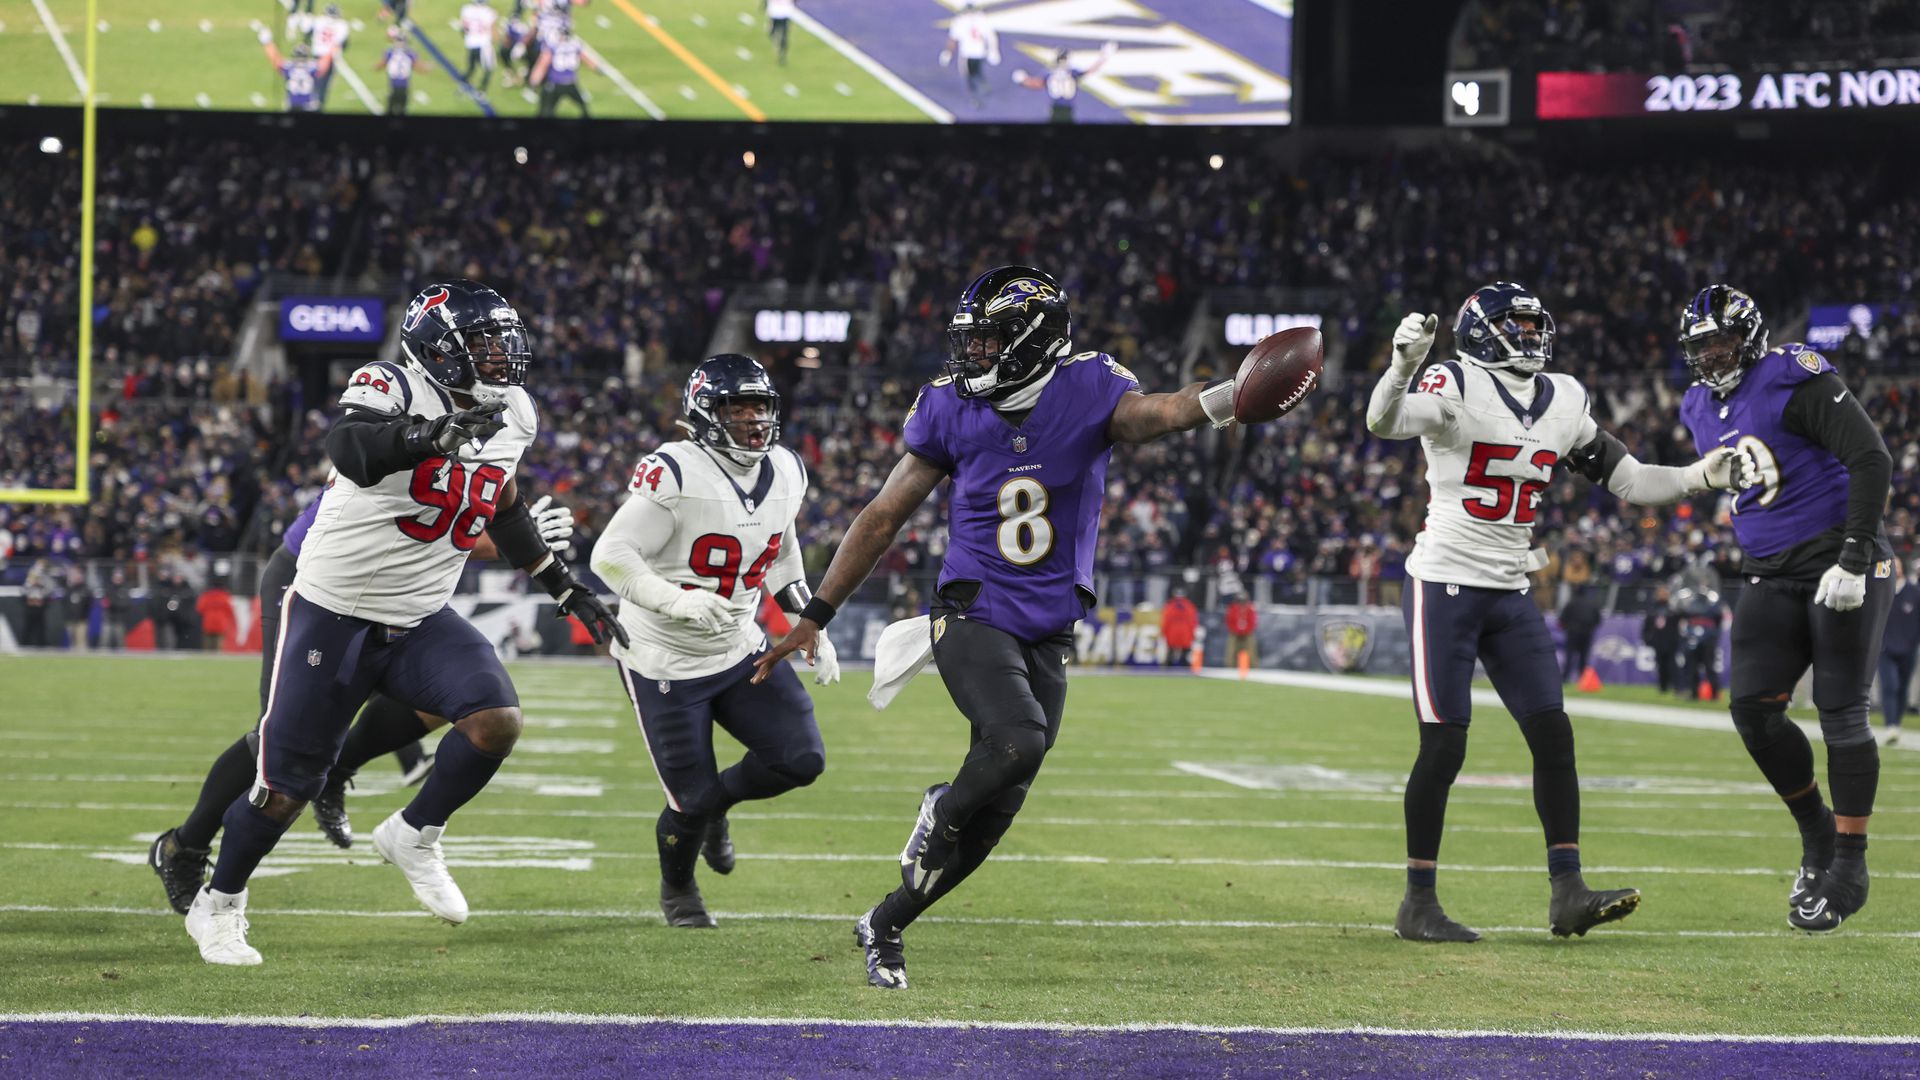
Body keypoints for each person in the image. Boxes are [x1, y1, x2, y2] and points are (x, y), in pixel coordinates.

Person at [755, 264, 1276, 988]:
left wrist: (1230, 397)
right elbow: (882, 516)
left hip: (1049, 624)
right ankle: (939, 807)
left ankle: (886, 922)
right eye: (970, 341)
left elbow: (1161, 414)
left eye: (989, 340)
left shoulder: (1089, 388)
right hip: (972, 607)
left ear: (1033, 341)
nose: (971, 354)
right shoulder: (947, 408)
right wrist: (814, 615)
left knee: (999, 809)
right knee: (1016, 739)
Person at [174, 280, 625, 965]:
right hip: (332, 605)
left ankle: (414, 832)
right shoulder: (391, 383)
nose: (499, 353)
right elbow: (348, 445)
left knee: (495, 717)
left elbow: (499, 503)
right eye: (480, 341)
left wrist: (566, 587)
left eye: (503, 338)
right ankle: (219, 901)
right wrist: (429, 435)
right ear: (439, 349)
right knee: (286, 783)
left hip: (418, 613)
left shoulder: (516, 413)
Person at [1365, 281, 1745, 943]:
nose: (1533, 335)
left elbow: (1628, 479)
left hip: (1510, 589)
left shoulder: (1563, 397)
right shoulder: (1452, 381)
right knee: (1445, 743)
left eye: (1536, 325)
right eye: (1519, 324)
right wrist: (1401, 367)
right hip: (1445, 583)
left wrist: (1696, 477)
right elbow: (1383, 423)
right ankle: (1417, 901)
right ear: (1484, 329)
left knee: (1553, 734)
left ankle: (1568, 891)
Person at [146, 484, 575, 914]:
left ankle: (339, 769)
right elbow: (409, 526)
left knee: (455, 697)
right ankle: (184, 847)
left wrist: (515, 531)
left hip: (391, 593)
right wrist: (515, 540)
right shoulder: (395, 424)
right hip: (317, 582)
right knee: (278, 741)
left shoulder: (489, 436)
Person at [591, 355, 838, 929]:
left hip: (738, 648)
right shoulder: (676, 470)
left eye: (760, 406)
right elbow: (610, 555)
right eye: (736, 407)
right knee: (689, 802)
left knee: (800, 760)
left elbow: (781, 554)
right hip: (663, 658)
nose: (753, 419)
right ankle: (678, 889)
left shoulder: (785, 467)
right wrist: (675, 600)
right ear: (705, 413)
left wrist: (810, 619)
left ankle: (717, 807)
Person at [1676, 284, 1894, 931]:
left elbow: (1870, 456)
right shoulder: (1695, 404)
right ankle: (1818, 833)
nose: (1712, 355)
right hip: (1767, 571)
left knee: (1842, 715)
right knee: (1753, 711)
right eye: (1701, 345)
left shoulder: (1790, 375)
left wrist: (1856, 555)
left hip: (1835, 559)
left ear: (1748, 336)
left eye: (1720, 341)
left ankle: (1849, 863)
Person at [1010, 42, 1115, 123]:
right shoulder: (1072, 73)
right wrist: (1104, 57)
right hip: (1068, 108)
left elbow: (1037, 84)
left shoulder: (1050, 74)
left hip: (1056, 108)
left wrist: (1023, 80)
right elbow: (1090, 70)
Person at [1879, 560, 1920, 746]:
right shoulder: (1881, 591)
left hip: (1908, 649)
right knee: (1890, 685)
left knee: (1902, 688)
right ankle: (1891, 725)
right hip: (1885, 648)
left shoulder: (1914, 592)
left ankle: (1897, 721)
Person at [938, 3, 999, 109]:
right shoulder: (982, 19)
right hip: (980, 52)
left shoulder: (960, 21)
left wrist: (947, 53)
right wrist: (993, 51)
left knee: (968, 76)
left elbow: (953, 40)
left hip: (967, 53)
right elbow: (991, 37)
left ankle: (976, 98)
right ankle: (982, 81)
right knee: (977, 70)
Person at [531, 26, 598, 118]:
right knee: (584, 108)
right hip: (570, 83)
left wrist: (534, 82)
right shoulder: (575, 45)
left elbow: (543, 64)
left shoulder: (553, 47)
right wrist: (596, 69)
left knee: (545, 111)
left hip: (555, 84)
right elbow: (585, 59)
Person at [259, 31, 331, 113]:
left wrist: (267, 43)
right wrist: (332, 45)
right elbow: (325, 63)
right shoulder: (312, 67)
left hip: (293, 106)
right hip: (310, 106)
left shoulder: (289, 67)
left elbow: (276, 60)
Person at [1641, 585, 1680, 694]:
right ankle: (1663, 687)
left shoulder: (1673, 608)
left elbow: (1679, 623)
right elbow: (1647, 625)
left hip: (1671, 641)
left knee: (1672, 665)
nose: (1662, 595)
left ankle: (1676, 686)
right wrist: (1646, 639)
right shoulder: (1653, 609)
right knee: (1661, 665)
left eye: (1664, 593)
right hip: (1658, 642)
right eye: (1660, 593)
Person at [1558, 587, 1601, 683]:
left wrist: (1568, 627)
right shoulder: (1592, 604)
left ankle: (1565, 678)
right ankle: (1583, 680)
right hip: (1587, 633)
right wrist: (1590, 628)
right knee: (1583, 658)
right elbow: (1598, 620)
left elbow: (1562, 620)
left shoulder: (1571, 603)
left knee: (1569, 657)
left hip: (1573, 633)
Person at [383, 27, 421, 115]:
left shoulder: (390, 52)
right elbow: (417, 66)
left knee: (390, 109)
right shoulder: (410, 53)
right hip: (404, 85)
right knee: (403, 110)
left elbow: (383, 63)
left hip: (393, 85)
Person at [1161, 588, 1198, 667]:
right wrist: (1192, 632)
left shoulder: (1170, 605)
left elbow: (1166, 620)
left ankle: (1169, 665)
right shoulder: (1189, 605)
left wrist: (1164, 631)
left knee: (1171, 649)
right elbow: (1193, 621)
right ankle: (1184, 665)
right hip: (1185, 630)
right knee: (1185, 650)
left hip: (1173, 630)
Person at [1224, 592, 1257, 667]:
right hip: (1235, 632)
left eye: (1243, 601)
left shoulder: (1250, 609)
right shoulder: (1232, 608)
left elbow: (1253, 622)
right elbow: (1229, 621)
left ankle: (1253, 665)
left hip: (1247, 632)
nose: (1242, 603)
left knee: (1251, 646)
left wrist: (1246, 630)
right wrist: (1235, 630)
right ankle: (1229, 665)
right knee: (1231, 647)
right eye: (1240, 601)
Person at [765, 0, 795, 66]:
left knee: (782, 35)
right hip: (780, 12)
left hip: (780, 12)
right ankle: (782, 51)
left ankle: (782, 53)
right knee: (779, 34)